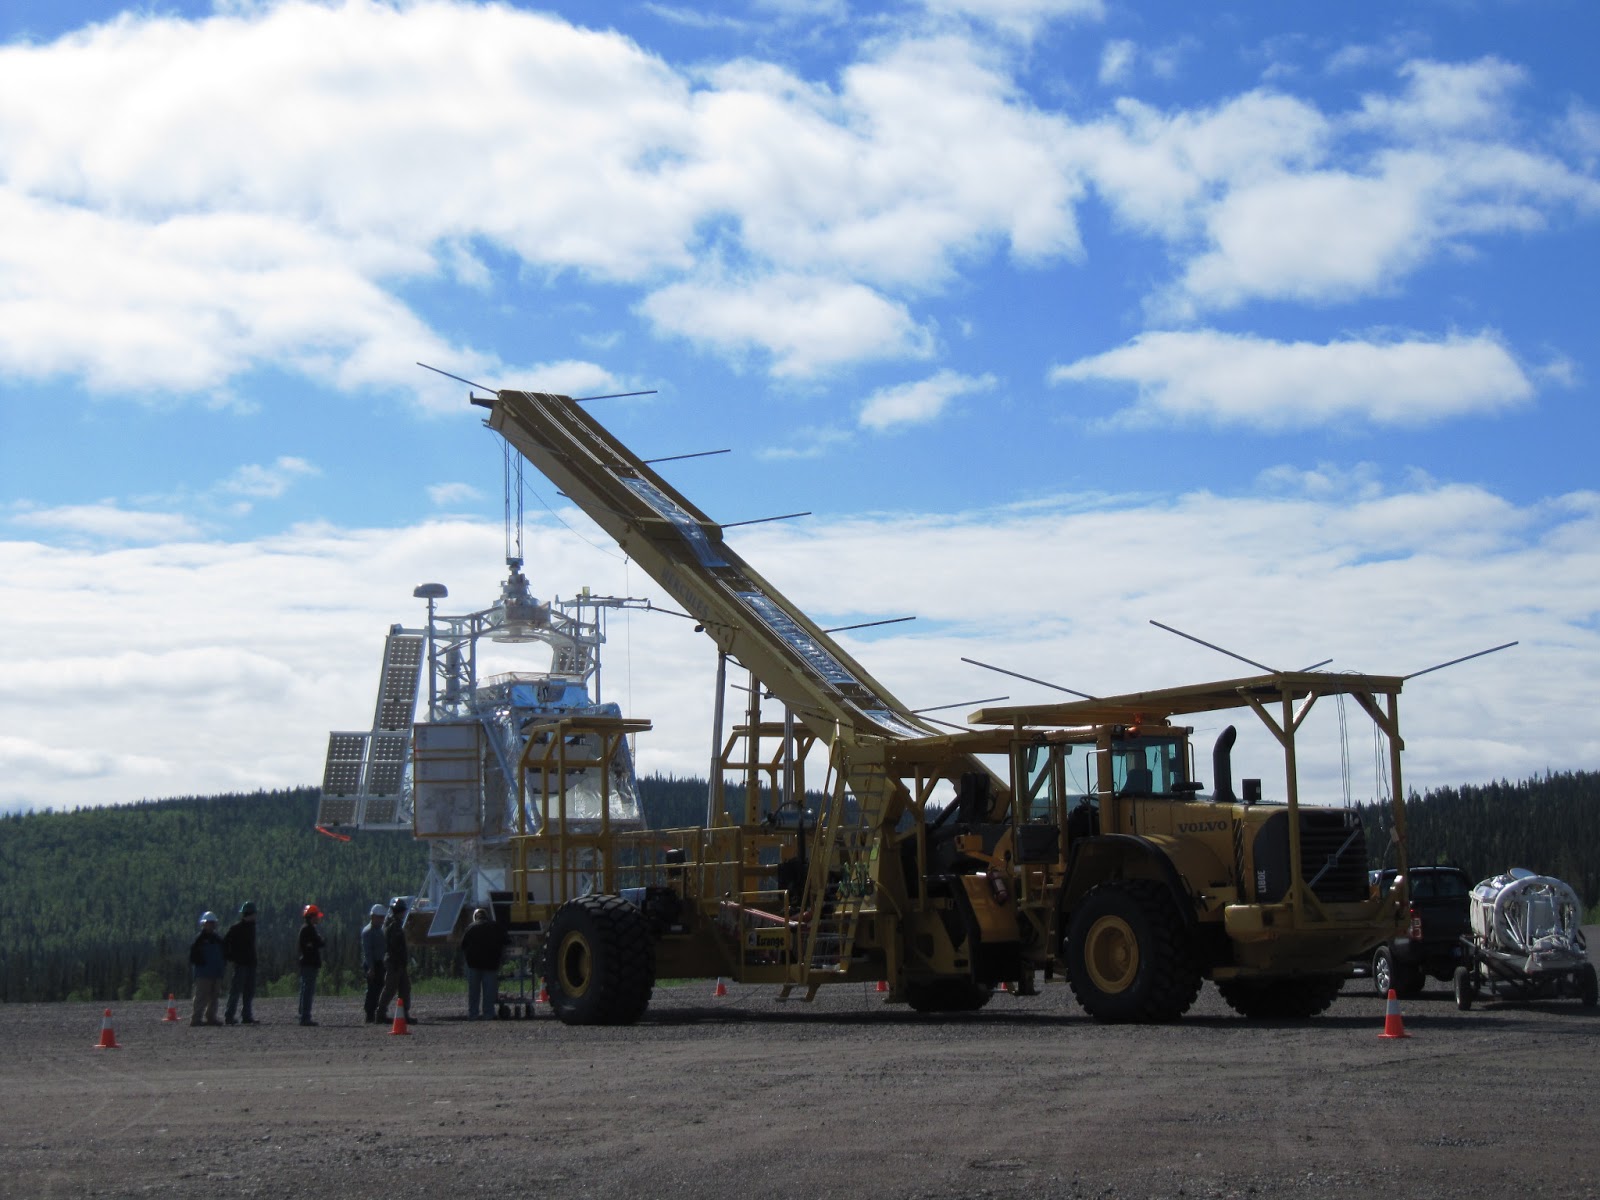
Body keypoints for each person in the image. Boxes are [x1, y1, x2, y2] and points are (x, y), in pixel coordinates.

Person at [460, 907, 508, 1020]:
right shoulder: (495, 927)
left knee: (474, 992)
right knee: (489, 992)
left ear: (475, 917)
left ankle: (473, 1014)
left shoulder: (470, 928)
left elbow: (462, 945)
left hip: (473, 964)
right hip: (491, 964)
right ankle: (488, 1014)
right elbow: (507, 940)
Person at [222, 900, 258, 1025]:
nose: (256, 916)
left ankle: (246, 1015)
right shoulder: (236, 928)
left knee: (249, 991)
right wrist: (231, 957)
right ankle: (229, 1015)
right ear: (250, 913)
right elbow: (225, 944)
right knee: (236, 990)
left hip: (250, 963)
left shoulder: (252, 927)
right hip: (241, 964)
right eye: (254, 913)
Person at [376, 897, 412, 1023]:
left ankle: (404, 1014)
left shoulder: (392, 924)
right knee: (390, 988)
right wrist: (398, 961)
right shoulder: (393, 926)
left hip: (398, 962)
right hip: (394, 962)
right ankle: (380, 1013)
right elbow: (394, 946)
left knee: (404, 988)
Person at [189, 911, 226, 1026]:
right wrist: (202, 964)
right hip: (203, 973)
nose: (210, 925)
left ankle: (211, 1017)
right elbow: (193, 956)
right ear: (203, 924)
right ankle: (196, 1019)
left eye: (212, 923)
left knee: (214, 997)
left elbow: (223, 954)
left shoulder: (218, 939)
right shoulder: (199, 940)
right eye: (208, 923)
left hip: (216, 972)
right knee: (201, 997)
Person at [297, 904, 326, 1026]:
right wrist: (317, 942)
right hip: (309, 964)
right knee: (308, 990)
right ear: (311, 917)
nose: (318, 918)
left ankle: (303, 1014)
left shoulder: (307, 929)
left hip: (307, 963)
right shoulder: (308, 930)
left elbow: (317, 943)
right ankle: (305, 1016)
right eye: (316, 916)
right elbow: (318, 943)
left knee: (305, 989)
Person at [360, 903, 387, 1024]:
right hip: (372, 964)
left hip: (380, 963)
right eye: (380, 917)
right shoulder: (368, 931)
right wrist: (371, 968)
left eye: (382, 917)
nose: (382, 919)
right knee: (372, 989)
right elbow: (368, 951)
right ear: (373, 917)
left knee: (379, 988)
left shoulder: (380, 930)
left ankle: (377, 1012)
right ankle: (369, 1014)